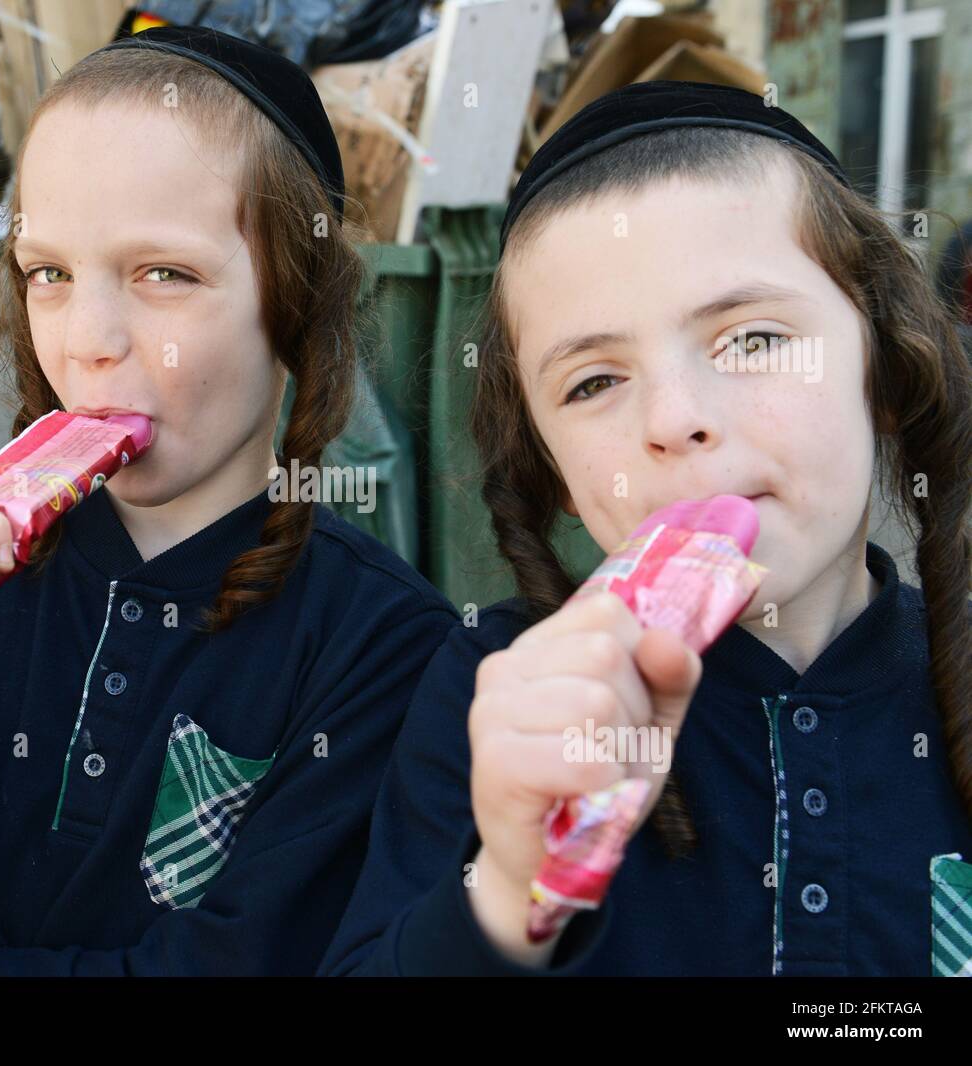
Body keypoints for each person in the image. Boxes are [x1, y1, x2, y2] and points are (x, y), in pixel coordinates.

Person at [0, 25, 458, 976]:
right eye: (50, 275)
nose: (90, 340)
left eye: (164, 274)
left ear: (297, 299)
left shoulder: (387, 650)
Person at [322, 81, 972, 977]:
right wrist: (510, 893)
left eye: (750, 338)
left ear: (887, 370)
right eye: (594, 381)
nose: (674, 418)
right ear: (551, 468)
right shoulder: (493, 692)